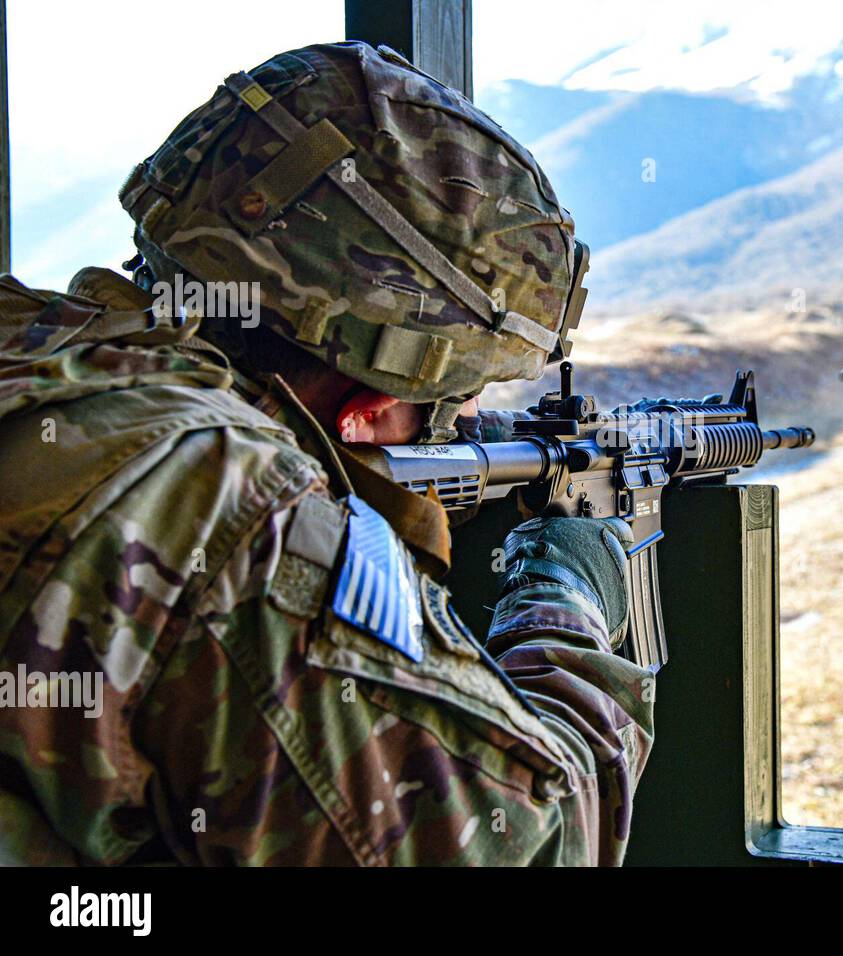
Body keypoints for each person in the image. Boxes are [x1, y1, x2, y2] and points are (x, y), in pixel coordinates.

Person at [0, 41, 653, 865]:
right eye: (446, 414)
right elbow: (530, 842)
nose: (453, 430)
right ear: (369, 415)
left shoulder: (39, 354)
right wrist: (565, 602)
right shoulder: (232, 511)